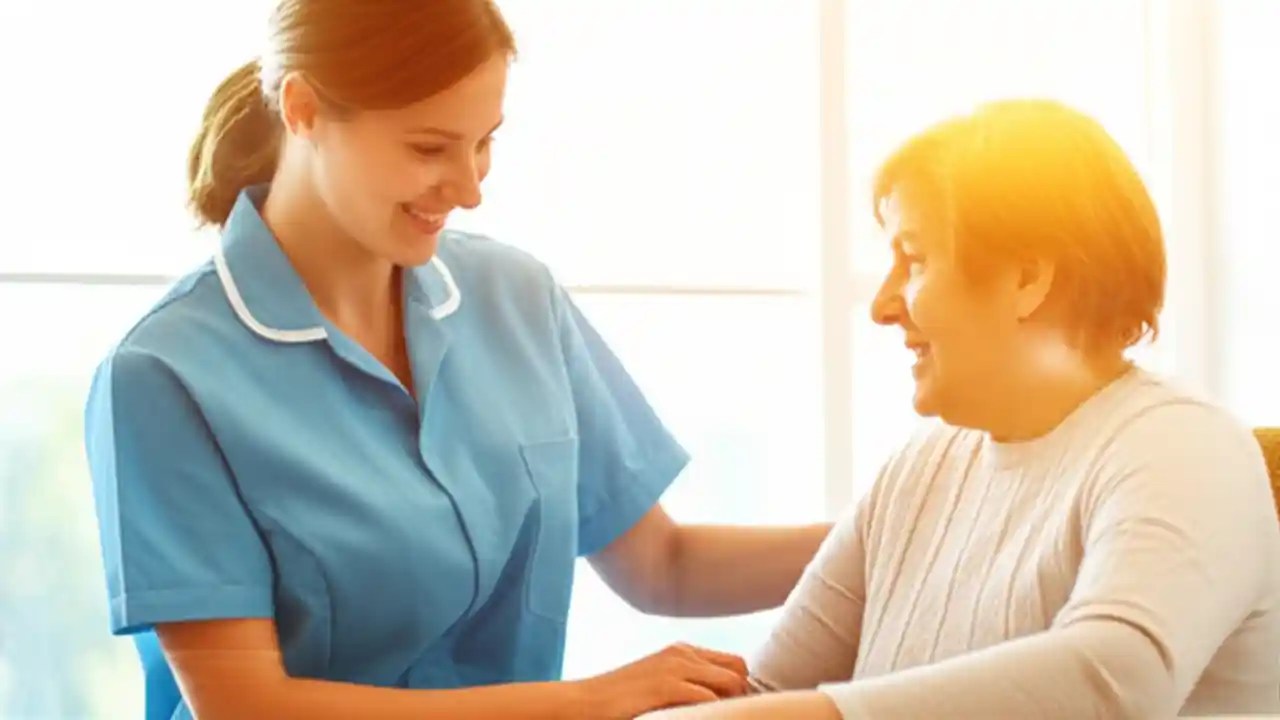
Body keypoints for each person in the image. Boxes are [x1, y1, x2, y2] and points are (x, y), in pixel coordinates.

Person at [81, 2, 832, 719]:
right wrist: (591, 703)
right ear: (304, 110)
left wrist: (901, 529)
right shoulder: (163, 377)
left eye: (485, 141)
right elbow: (248, 706)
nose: (471, 188)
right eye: (429, 148)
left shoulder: (517, 298)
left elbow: (663, 563)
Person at [639, 100, 1280, 720]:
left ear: (1028, 278)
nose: (883, 305)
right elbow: (766, 695)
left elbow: (1115, 680)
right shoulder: (918, 471)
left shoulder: (1185, 449)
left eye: (913, 260)